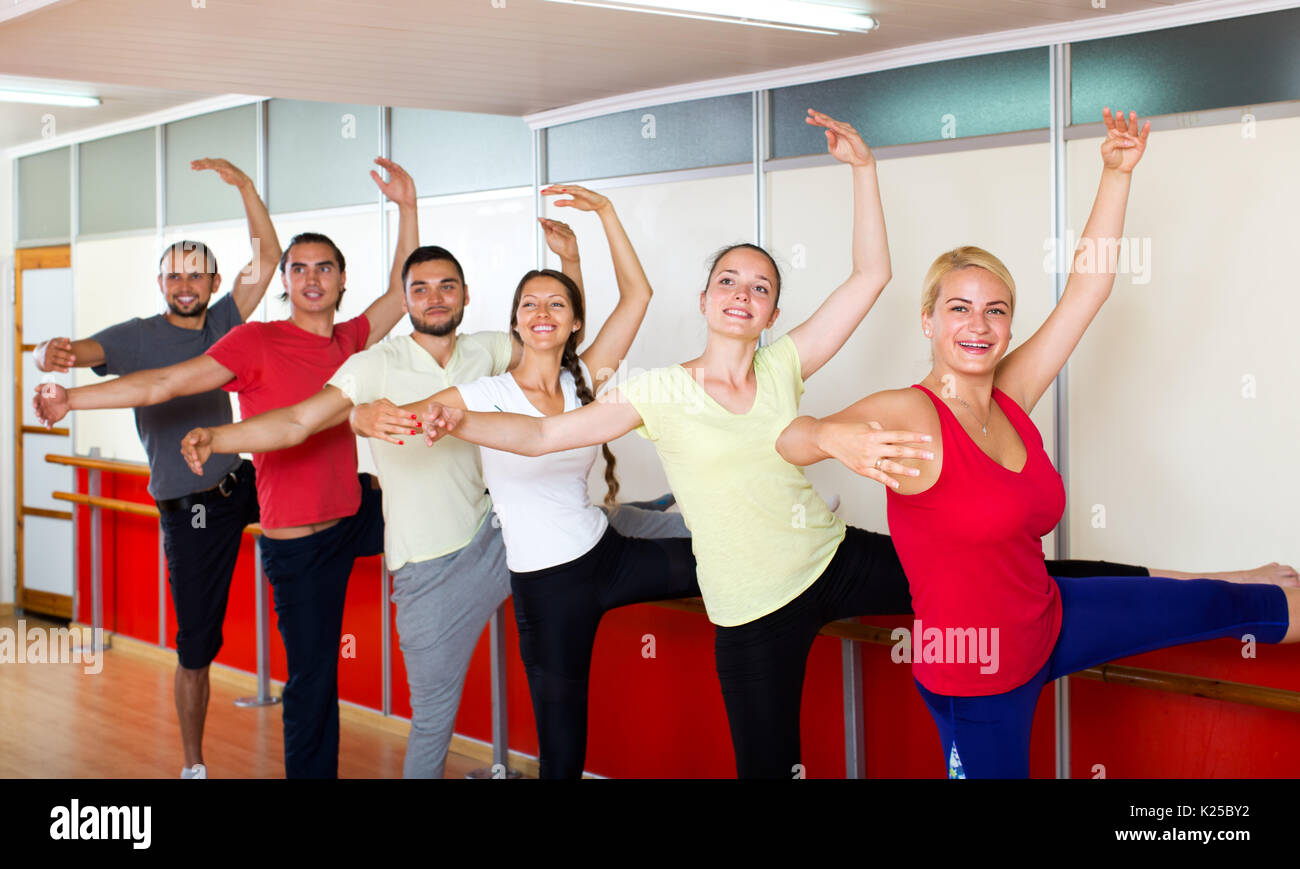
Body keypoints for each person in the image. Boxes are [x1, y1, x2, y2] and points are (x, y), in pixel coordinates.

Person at [416, 109, 1297, 779]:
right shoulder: (665, 390)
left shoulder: (791, 360)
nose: (742, 294)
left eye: (760, 287)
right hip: (764, 608)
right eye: (728, 280)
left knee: (1055, 583)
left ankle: (1243, 591)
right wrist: (456, 415)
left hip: (833, 560)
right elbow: (548, 432)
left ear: (769, 310)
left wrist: (869, 170)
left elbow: (883, 279)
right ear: (704, 296)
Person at [775, 109, 1300, 778]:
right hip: (976, 676)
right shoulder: (910, 412)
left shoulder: (1009, 393)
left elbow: (1088, 289)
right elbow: (786, 438)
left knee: (1215, 601)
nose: (979, 323)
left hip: (1049, 619)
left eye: (996, 309)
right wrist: (828, 435)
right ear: (929, 319)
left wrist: (1115, 173)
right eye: (959, 307)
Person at [179, 186, 687, 778]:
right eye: (419, 288)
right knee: (433, 721)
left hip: (502, 532)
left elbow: (560, 330)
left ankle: (676, 512)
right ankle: (665, 510)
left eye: (447, 285)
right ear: (405, 298)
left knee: (593, 524)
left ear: (467, 295)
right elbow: (297, 421)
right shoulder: (375, 364)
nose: (434, 297)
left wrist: (572, 259)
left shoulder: (495, 350)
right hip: (433, 568)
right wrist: (226, 438)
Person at [35, 157, 419, 778]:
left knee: (449, 506)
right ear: (286, 283)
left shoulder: (343, 338)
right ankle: (202, 763)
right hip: (266, 529)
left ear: (342, 280)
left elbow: (403, 294)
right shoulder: (248, 340)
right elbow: (160, 384)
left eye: (325, 268)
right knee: (287, 672)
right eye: (299, 270)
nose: (311, 278)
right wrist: (68, 392)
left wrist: (406, 206)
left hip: (338, 509)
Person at [358, 184, 696, 778]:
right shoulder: (485, 393)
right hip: (547, 590)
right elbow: (408, 421)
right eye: (530, 305)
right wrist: (363, 415)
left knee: (724, 557)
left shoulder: (584, 380)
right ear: (515, 321)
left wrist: (606, 217)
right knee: (562, 757)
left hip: (605, 555)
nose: (542, 314)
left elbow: (639, 294)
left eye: (556, 306)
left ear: (573, 322)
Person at [30, 158, 279, 780]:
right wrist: (47, 351)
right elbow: (76, 351)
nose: (186, 284)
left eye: (196, 275)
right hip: (189, 506)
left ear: (213, 279)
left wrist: (246, 188)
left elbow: (268, 258)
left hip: (239, 483)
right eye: (175, 276)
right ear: (161, 282)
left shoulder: (223, 321)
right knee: (197, 645)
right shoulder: (137, 337)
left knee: (337, 501)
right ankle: (193, 765)